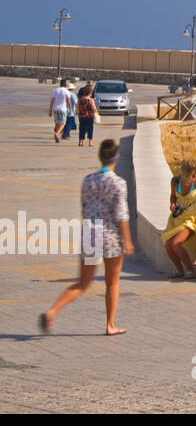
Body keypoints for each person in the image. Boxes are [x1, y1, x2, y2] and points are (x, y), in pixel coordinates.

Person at [39, 139, 134, 336]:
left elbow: (84, 208)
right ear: (116, 158)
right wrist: (128, 241)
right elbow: (121, 215)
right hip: (110, 236)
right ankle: (110, 325)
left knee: (83, 282)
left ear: (100, 157)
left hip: (90, 232)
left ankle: (52, 311)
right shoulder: (119, 183)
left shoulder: (87, 180)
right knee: (112, 282)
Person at [161, 159, 196, 279]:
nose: (190, 176)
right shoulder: (175, 181)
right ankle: (179, 270)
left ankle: (191, 270)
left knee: (176, 243)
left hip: (191, 219)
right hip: (177, 218)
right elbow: (172, 197)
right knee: (168, 245)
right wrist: (172, 204)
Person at [48, 78, 74, 143]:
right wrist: (70, 110)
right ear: (65, 84)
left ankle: (57, 135)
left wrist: (50, 110)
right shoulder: (66, 91)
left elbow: (52, 101)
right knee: (63, 123)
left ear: (60, 84)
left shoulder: (55, 90)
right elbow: (68, 101)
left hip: (56, 109)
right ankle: (57, 134)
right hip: (63, 109)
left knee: (57, 123)